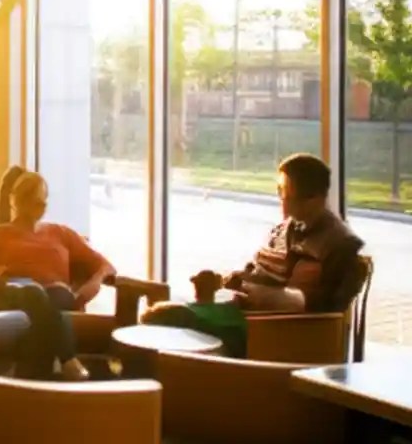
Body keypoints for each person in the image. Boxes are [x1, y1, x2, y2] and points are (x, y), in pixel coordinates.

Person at [141, 153, 365, 357]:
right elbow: (256, 270)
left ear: (314, 200)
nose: (280, 197)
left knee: (167, 319)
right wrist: (231, 279)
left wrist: (272, 297)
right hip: (244, 313)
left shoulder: (341, 246)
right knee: (159, 316)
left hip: (270, 329)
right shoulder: (285, 229)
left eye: (285, 192)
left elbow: (329, 308)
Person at [0, 171, 115, 381]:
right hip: (11, 295)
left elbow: (106, 266)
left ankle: (25, 387)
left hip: (55, 296)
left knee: (41, 308)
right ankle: (67, 359)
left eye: (43, 201)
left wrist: (93, 284)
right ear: (14, 200)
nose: (40, 206)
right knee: (32, 293)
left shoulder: (61, 233)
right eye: (33, 200)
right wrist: (3, 273)